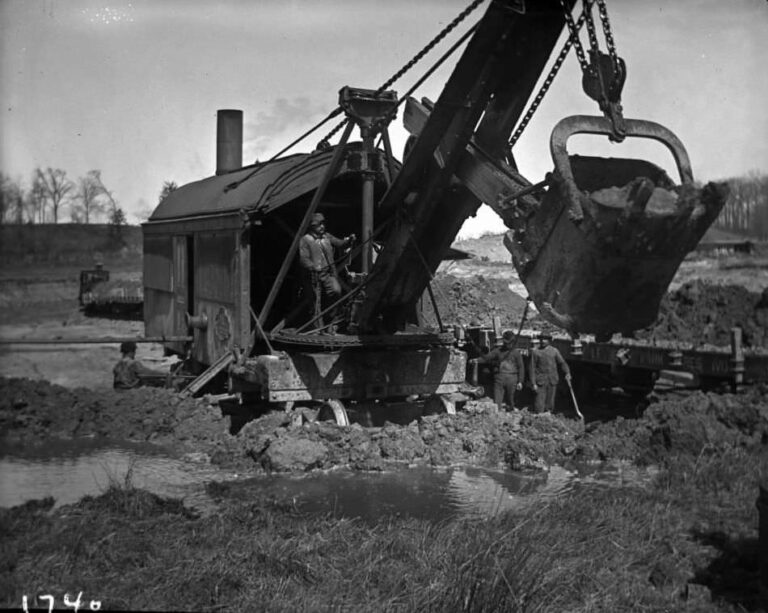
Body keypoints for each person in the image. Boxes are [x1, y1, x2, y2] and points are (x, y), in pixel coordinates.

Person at [298, 212, 355, 329]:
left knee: (336, 291)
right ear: (312, 226)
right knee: (315, 303)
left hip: (328, 274)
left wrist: (349, 240)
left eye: (323, 224)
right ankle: (317, 328)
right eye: (319, 225)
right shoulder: (305, 240)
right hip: (313, 276)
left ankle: (331, 321)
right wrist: (313, 266)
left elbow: (340, 243)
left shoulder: (327, 237)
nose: (322, 227)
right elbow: (304, 259)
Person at [474, 330, 525, 411]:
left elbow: (521, 367)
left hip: (512, 378)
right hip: (499, 378)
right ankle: (498, 412)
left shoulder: (516, 353)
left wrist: (520, 381)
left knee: (511, 398)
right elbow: (487, 358)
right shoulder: (498, 351)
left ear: (512, 343)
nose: (507, 345)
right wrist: (477, 360)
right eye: (505, 343)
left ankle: (510, 411)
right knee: (497, 399)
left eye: (509, 343)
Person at [529, 332, 571, 414]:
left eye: (545, 339)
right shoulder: (536, 352)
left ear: (549, 341)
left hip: (552, 380)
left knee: (550, 402)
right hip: (541, 381)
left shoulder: (554, 351)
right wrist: (533, 383)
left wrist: (567, 372)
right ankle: (539, 416)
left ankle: (548, 415)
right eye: (541, 339)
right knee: (539, 403)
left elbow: (562, 363)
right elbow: (532, 368)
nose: (543, 341)